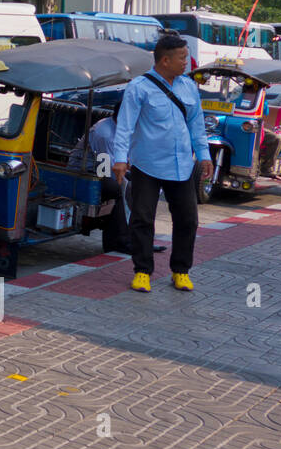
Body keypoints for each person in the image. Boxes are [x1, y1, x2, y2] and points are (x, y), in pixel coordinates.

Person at [112, 32, 213, 293]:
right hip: (148, 165)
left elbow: (197, 125)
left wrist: (204, 155)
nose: (186, 63)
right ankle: (142, 271)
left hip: (182, 166)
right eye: (182, 58)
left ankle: (180, 271)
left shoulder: (188, 87)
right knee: (142, 219)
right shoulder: (139, 87)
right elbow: (124, 127)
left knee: (188, 220)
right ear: (165, 60)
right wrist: (120, 159)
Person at [68, 105, 132, 254]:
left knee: (143, 184)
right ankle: (119, 240)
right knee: (117, 189)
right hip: (85, 171)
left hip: (103, 167)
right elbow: (110, 168)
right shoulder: (105, 133)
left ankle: (136, 238)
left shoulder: (124, 129)